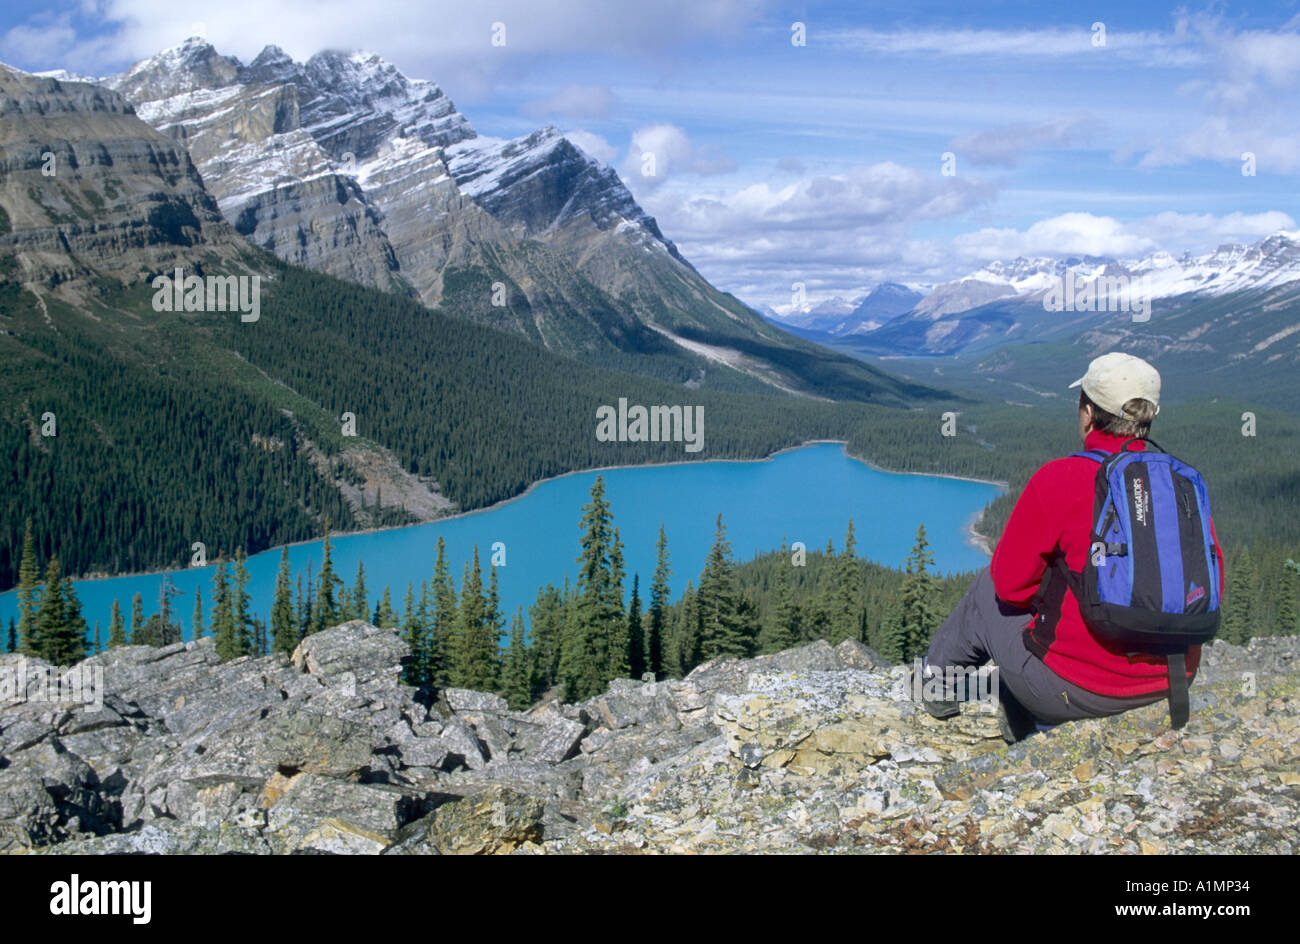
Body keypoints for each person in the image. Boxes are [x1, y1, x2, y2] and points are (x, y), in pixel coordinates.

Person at [914, 352, 1227, 742]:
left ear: (1087, 413)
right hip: (1170, 685)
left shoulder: (1061, 478)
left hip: (1075, 693)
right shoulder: (1181, 485)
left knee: (987, 587)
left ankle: (934, 685)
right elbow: (1211, 582)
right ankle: (1017, 706)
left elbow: (1010, 586)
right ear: (1147, 418)